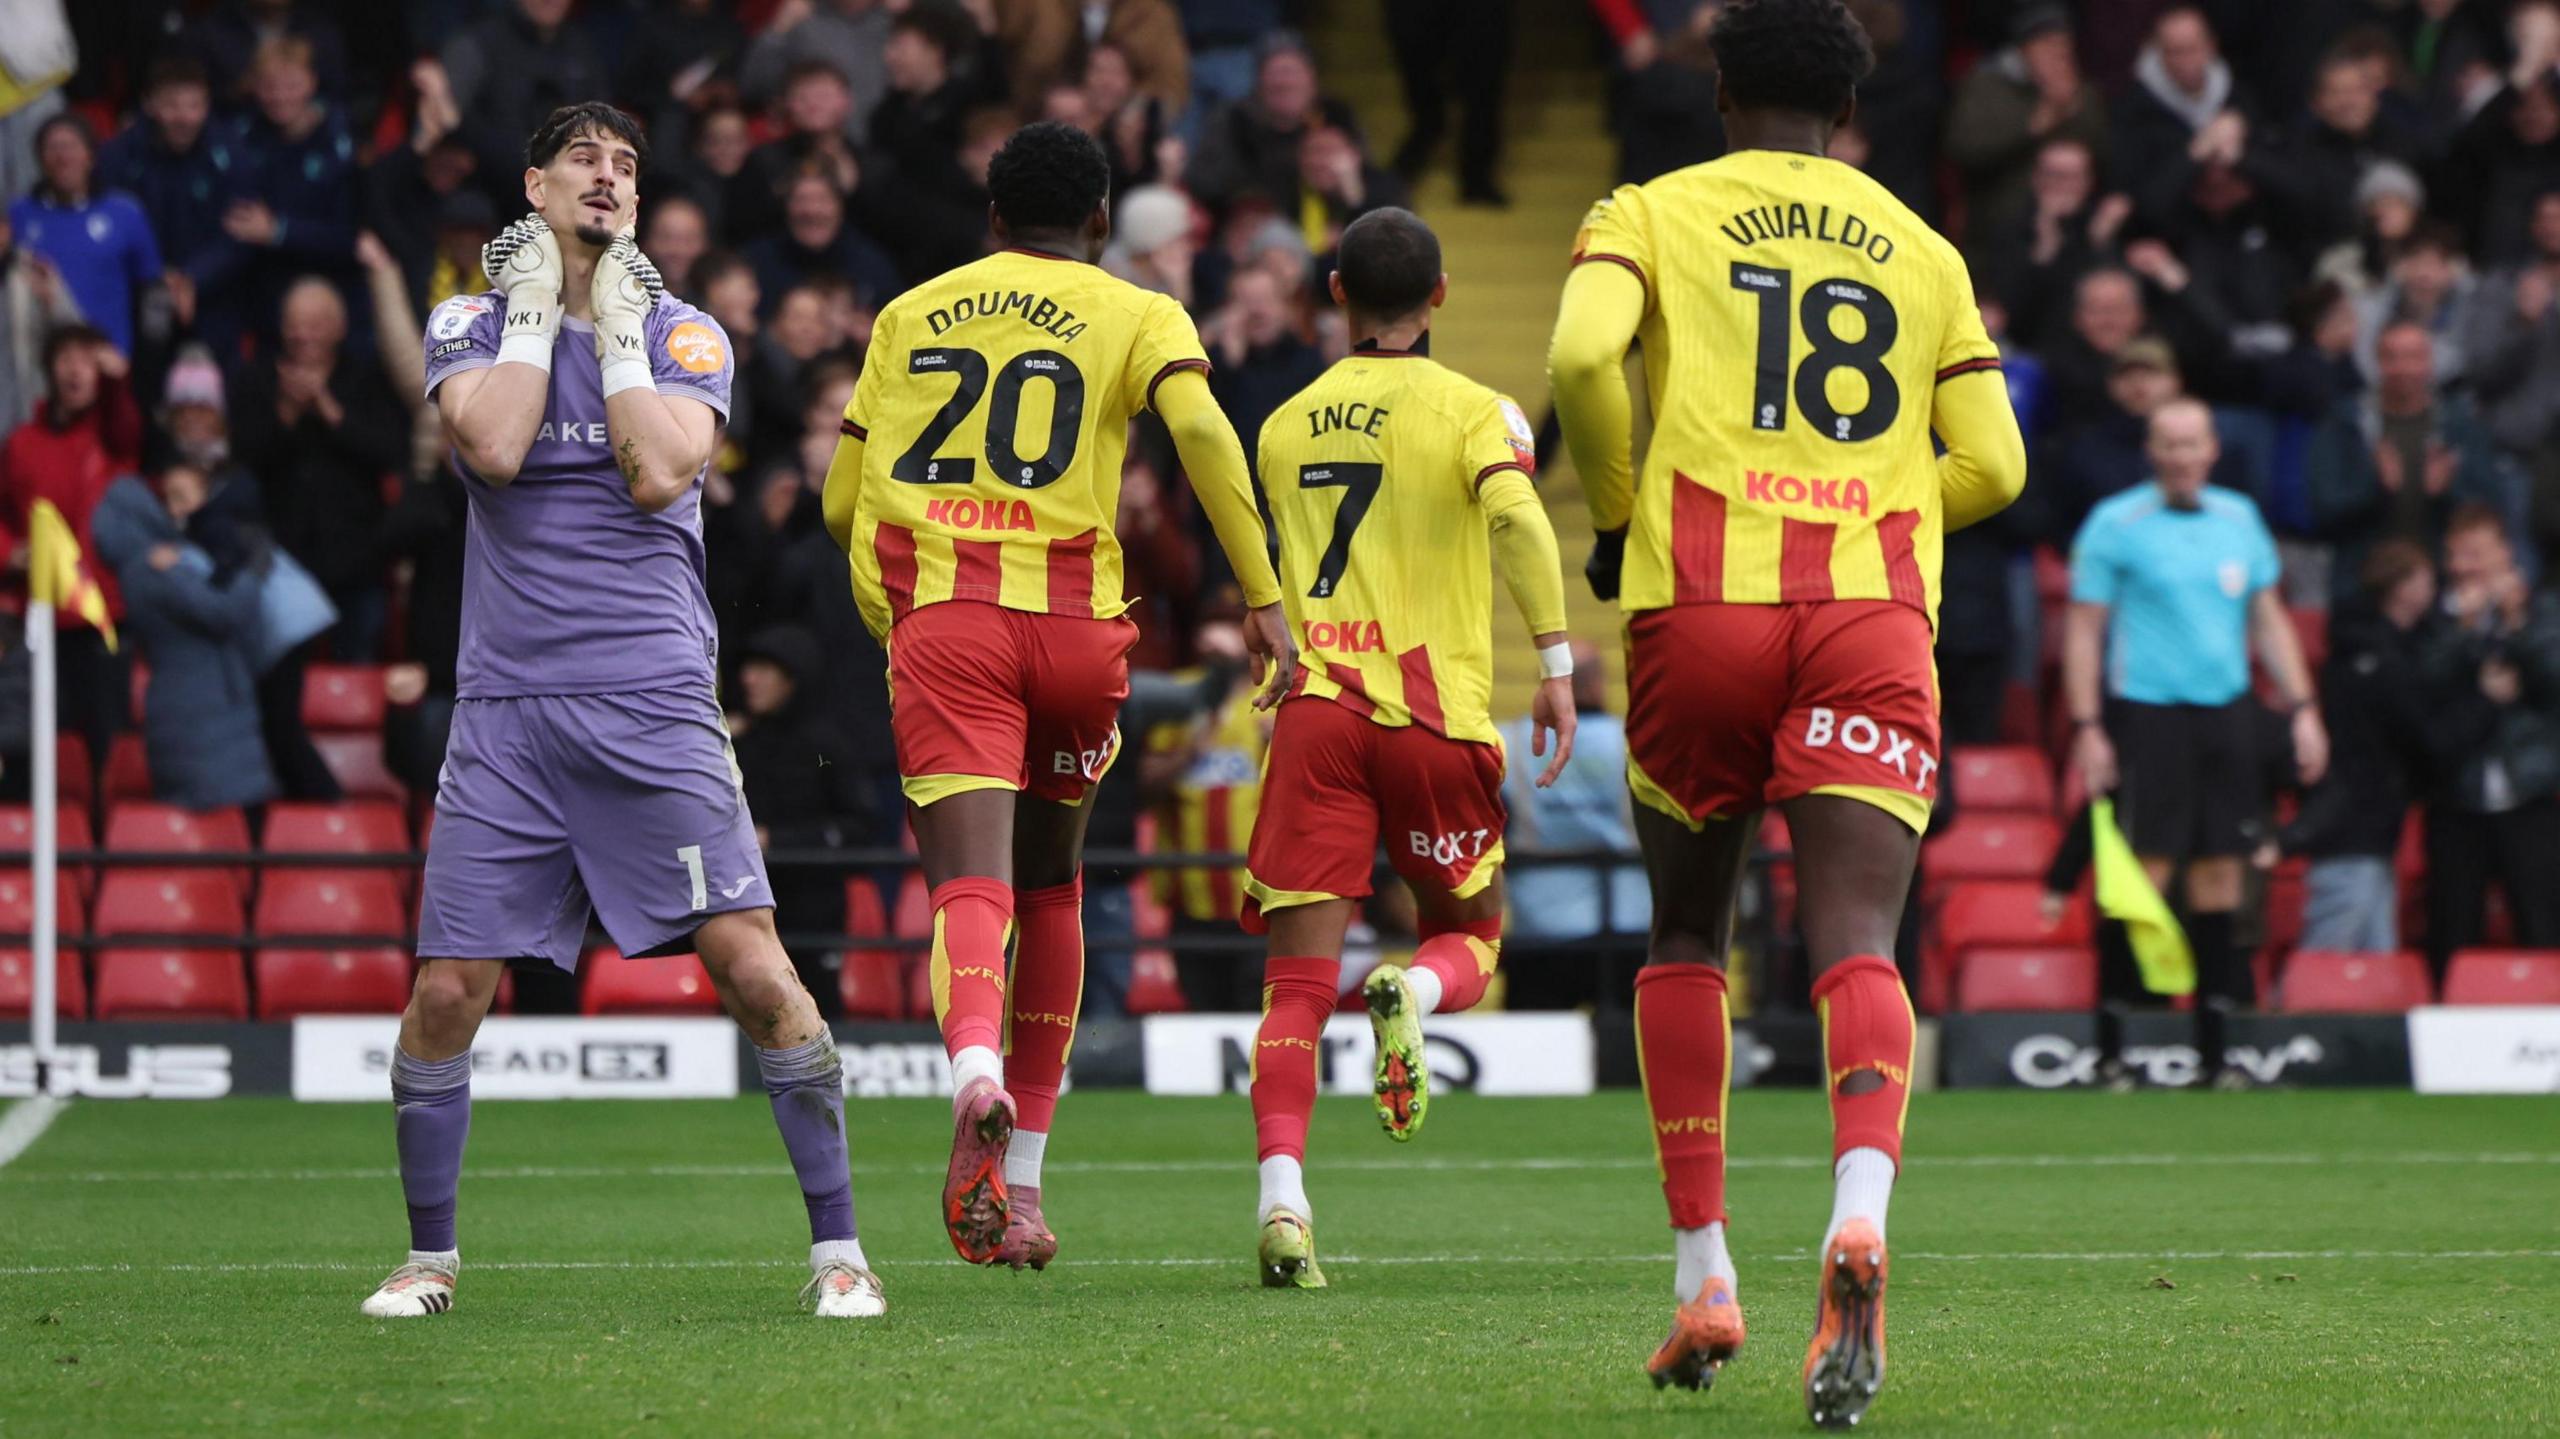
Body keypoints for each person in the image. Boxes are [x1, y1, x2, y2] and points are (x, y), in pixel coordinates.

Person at [1546, 0, 2027, 1421]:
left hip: (1700, 605)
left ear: (1717, 92)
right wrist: (1874, 506)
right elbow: (1996, 465)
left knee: (1689, 931)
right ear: (1848, 110)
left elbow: (1578, 361)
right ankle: (1858, 1212)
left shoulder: (1647, 211)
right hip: (1867, 616)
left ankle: (1703, 1269)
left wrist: (1622, 518)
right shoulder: (1924, 247)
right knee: (1858, 938)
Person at [363, 102, 881, 1323]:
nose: (609, 177)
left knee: (756, 971)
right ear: (534, 187)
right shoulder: (468, 322)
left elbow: (659, 472)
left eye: (627, 166)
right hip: (506, 713)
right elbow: (494, 448)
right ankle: (429, 1258)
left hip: (654, 701)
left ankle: (841, 1248)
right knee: (447, 991)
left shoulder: (687, 331)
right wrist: (538, 312)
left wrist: (620, 332)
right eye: (585, 160)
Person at [822, 121, 1293, 1272]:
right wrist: (1263, 594)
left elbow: (841, 499)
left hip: (953, 622)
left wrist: (896, 610)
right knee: (1054, 884)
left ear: (992, 219)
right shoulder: (1140, 310)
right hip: (1079, 631)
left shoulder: (909, 314)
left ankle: (972, 1069)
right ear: (1099, 221)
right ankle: (1023, 1182)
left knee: (970, 881)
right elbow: (1201, 433)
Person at [1242, 206, 1574, 1285]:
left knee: (1295, 983)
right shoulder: (1479, 410)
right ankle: (1413, 995)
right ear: (1439, 295)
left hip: (1317, 714)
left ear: (1335, 292)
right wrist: (1556, 662)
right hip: (1432, 715)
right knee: (1471, 933)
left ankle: (1283, 1204)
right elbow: (1518, 520)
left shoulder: (1282, 425)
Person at [2064, 400, 2328, 1086]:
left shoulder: (2240, 518)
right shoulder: (2115, 523)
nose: (2182, 457)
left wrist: (2302, 708)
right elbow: (2084, 630)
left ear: (2212, 449)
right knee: (2142, 879)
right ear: (2151, 451)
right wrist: (2088, 725)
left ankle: (2215, 1053)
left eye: (2192, 444)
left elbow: (2267, 619)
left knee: (2221, 877)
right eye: (2169, 444)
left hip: (2226, 715)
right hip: (2148, 715)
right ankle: (2115, 1047)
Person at [2415, 505, 2560, 973]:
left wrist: (2517, 626)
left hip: (2528, 793)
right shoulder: (2435, 617)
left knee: (2542, 928)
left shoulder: (2543, 610)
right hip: (2456, 796)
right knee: (2453, 933)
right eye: (2455, 554)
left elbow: (2553, 678)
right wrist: (2466, 631)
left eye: (2475, 554)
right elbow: (2424, 685)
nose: (2464, 567)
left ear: (2504, 553)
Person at [88, 467, 278, 813]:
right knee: (219, 822)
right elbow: (222, 612)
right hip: (201, 708)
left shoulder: (144, 565)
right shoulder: (154, 568)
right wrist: (252, 573)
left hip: (189, 704)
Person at [2287, 540, 2438, 954]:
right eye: (2426, 581)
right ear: (2404, 587)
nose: (2432, 591)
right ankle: (2291, 1003)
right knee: (2328, 952)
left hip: (2369, 827)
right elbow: (2420, 734)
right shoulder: (2382, 662)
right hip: (2353, 823)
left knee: (2376, 956)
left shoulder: (2357, 650)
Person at [1498, 639, 1650, 1008]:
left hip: (1540, 934)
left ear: (1546, 685)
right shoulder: (1637, 743)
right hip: (1628, 928)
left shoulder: (1507, 743)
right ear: (1598, 684)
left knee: (1538, 1042)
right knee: (1627, 1042)